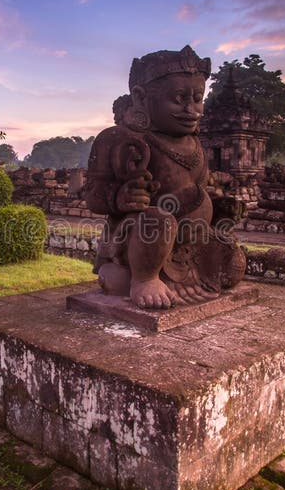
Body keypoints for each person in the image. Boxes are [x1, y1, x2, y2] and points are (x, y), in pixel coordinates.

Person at [86, 45, 245, 309]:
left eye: (197, 98)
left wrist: (218, 205)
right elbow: (93, 195)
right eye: (179, 98)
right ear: (140, 98)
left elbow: (198, 188)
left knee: (234, 267)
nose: (191, 109)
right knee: (157, 220)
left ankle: (172, 277)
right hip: (142, 240)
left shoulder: (195, 145)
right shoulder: (119, 140)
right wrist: (119, 197)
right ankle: (144, 279)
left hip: (191, 243)